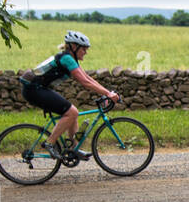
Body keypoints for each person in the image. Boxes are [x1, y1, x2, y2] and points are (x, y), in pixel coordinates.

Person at [18, 30, 119, 159]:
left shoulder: (70, 59)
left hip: (37, 88)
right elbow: (84, 83)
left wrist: (107, 92)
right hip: (34, 90)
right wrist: (108, 94)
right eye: (84, 49)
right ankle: (50, 143)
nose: (86, 52)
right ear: (74, 47)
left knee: (72, 113)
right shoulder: (67, 59)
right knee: (72, 112)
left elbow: (88, 78)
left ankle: (73, 149)